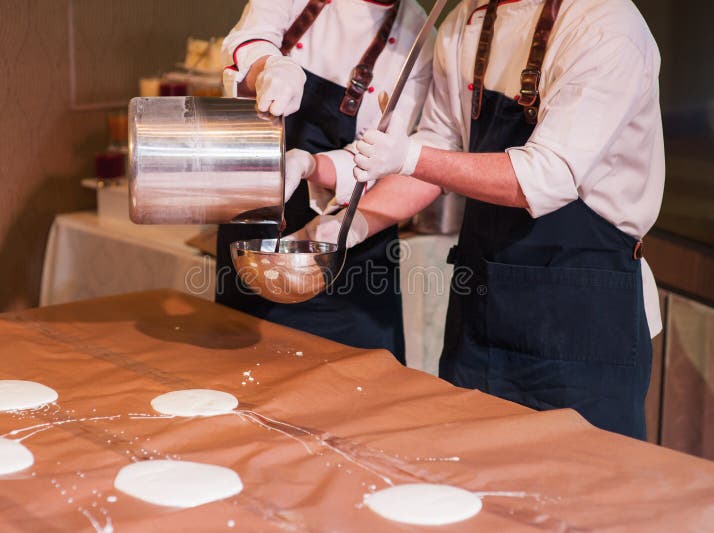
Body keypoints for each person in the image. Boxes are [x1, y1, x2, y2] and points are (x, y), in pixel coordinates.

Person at [293, 0, 664, 439]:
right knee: (466, 487)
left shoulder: (606, 25)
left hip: (582, 321)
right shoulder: (464, 21)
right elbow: (439, 147)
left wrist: (409, 156)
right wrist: (350, 224)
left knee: (581, 492)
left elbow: (545, 176)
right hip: (483, 317)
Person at [217, 0, 435, 364]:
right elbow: (248, 37)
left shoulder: (419, 38)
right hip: (256, 240)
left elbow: (380, 156)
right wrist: (271, 66)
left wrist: (308, 165)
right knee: (245, 376)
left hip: (349, 245)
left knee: (356, 392)